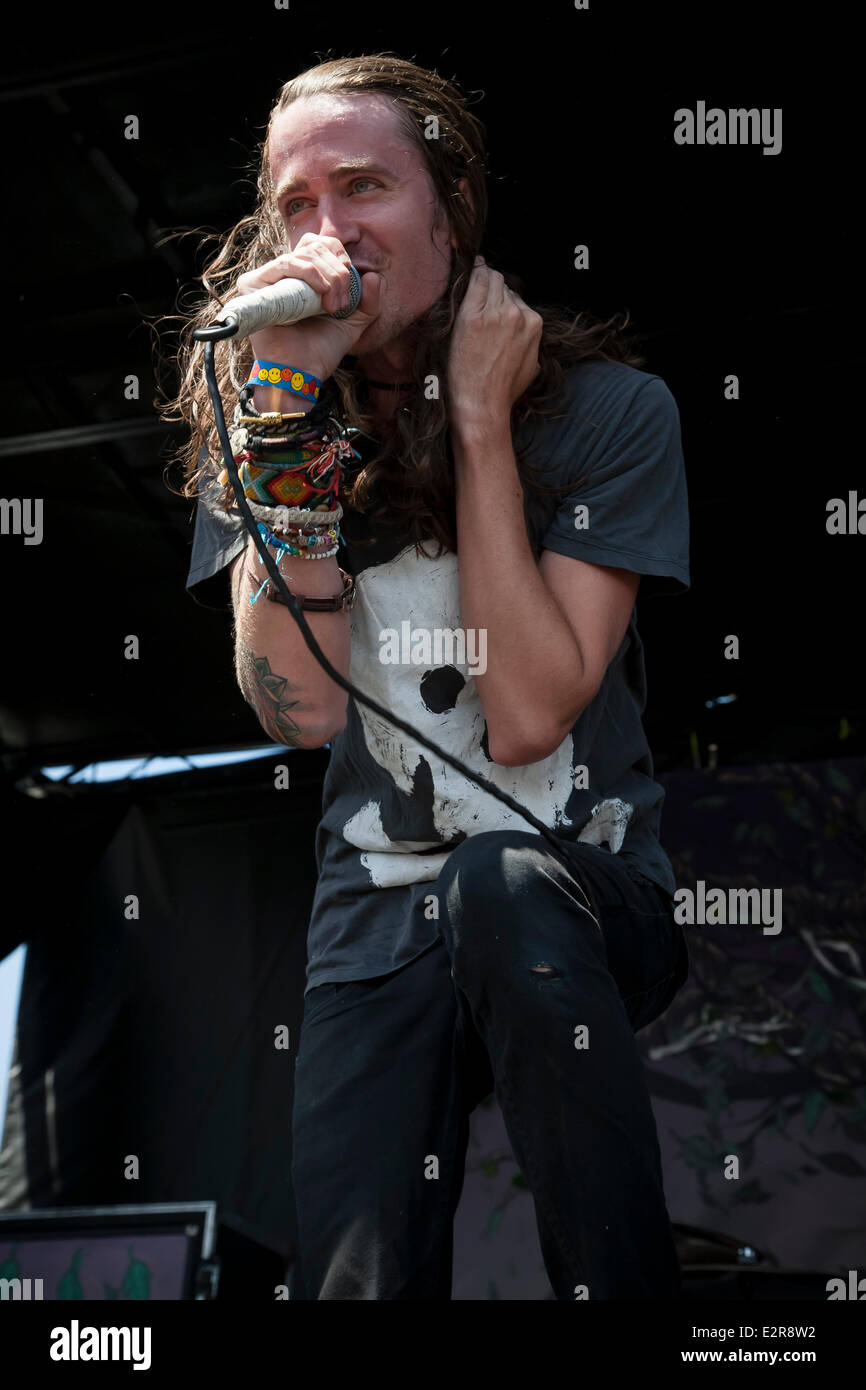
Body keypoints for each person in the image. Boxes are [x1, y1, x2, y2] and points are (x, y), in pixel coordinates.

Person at [166, 53, 691, 1300]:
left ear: (448, 216)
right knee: (356, 1273)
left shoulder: (609, 413)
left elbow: (521, 718)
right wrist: (283, 426)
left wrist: (477, 428)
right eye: (294, 203)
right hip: (373, 927)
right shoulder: (265, 424)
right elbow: (296, 710)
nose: (326, 229)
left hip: (577, 877)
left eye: (364, 187)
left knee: (497, 878)